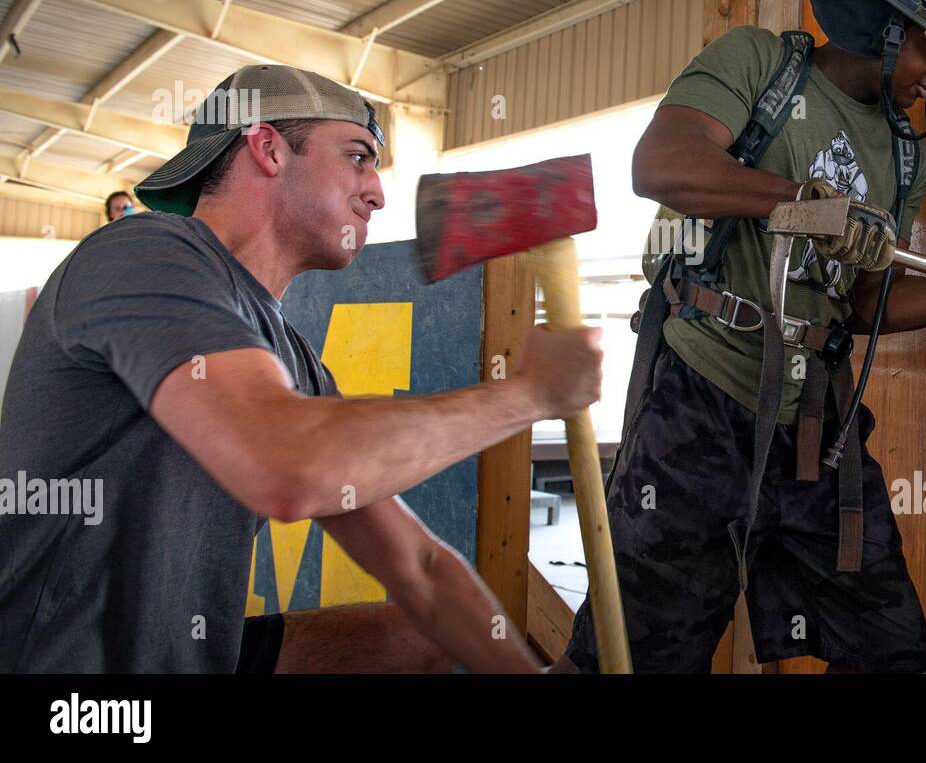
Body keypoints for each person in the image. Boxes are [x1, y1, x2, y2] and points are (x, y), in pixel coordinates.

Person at [557, 0, 926, 673]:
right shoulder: (758, 66)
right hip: (696, 411)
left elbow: (863, 303)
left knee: (888, 647)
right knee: (641, 656)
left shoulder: (906, 159)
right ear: (884, 24)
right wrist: (799, 202)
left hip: (814, 433)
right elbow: (661, 164)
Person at [0, 64, 602, 673]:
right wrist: (529, 395)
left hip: (194, 655)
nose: (378, 191)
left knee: (419, 639)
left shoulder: (291, 357)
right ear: (267, 149)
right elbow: (290, 466)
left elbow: (420, 567)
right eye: (359, 157)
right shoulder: (144, 251)